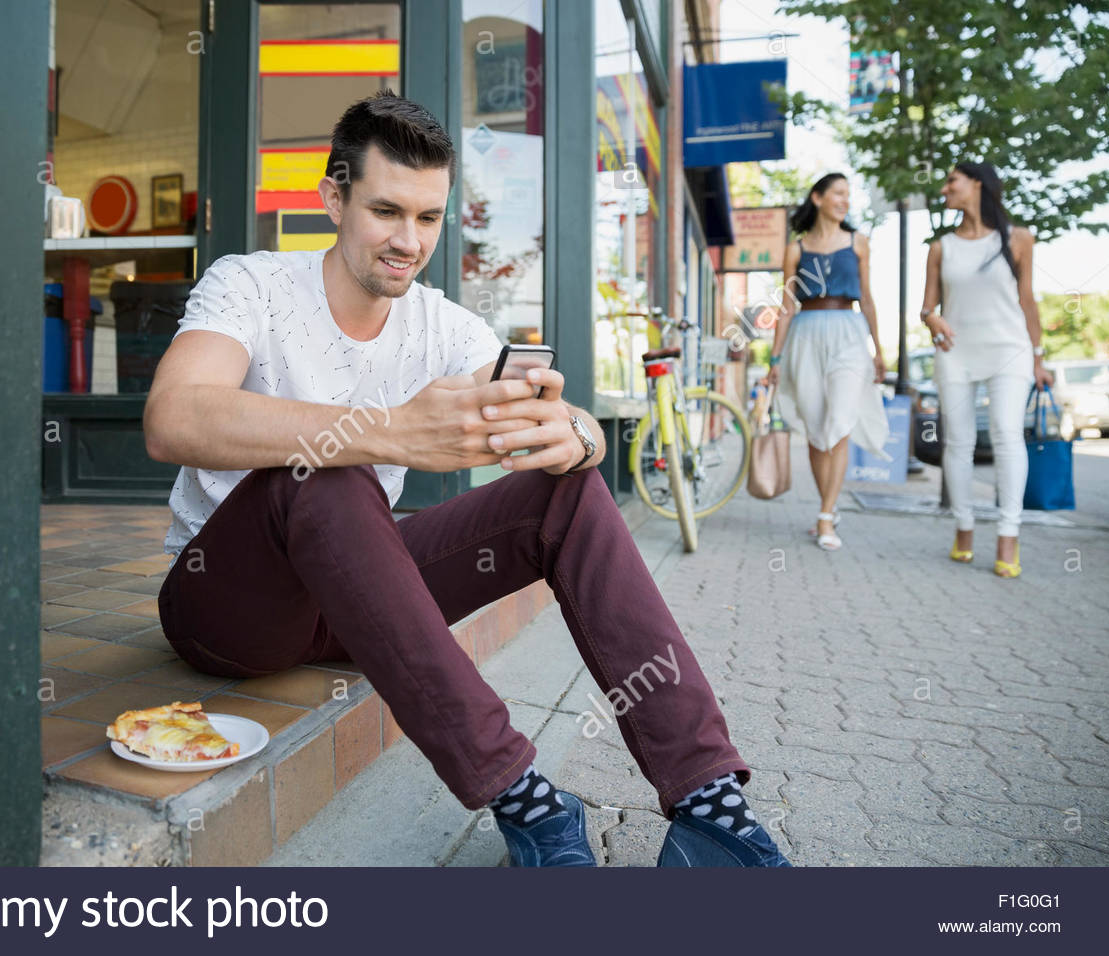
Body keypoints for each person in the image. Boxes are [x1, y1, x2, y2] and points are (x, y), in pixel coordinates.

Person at [144, 91, 789, 867]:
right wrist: (389, 433)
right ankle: (526, 800)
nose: (408, 241)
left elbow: (563, 418)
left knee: (567, 494)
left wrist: (575, 436)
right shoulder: (250, 283)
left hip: (352, 593)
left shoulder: (441, 322)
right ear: (332, 198)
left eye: (428, 217)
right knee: (329, 474)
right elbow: (173, 416)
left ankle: (706, 805)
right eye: (386, 211)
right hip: (229, 605)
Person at [919, 161, 1052, 578]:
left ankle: (1008, 535)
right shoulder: (942, 247)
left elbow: (1027, 300)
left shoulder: (1019, 239)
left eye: (951, 180)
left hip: (1010, 350)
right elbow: (926, 306)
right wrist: (931, 319)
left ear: (977, 184)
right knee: (957, 443)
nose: (944, 188)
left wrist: (1039, 356)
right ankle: (963, 528)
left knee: (1006, 433)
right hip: (956, 350)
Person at [765, 173, 889, 551]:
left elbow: (867, 299)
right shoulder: (796, 249)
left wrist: (879, 349)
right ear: (817, 198)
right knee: (818, 430)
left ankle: (824, 515)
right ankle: (827, 508)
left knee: (840, 421)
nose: (844, 200)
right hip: (806, 333)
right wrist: (775, 357)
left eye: (848, 195)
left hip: (848, 334)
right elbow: (786, 307)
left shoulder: (859, 243)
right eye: (838, 193)